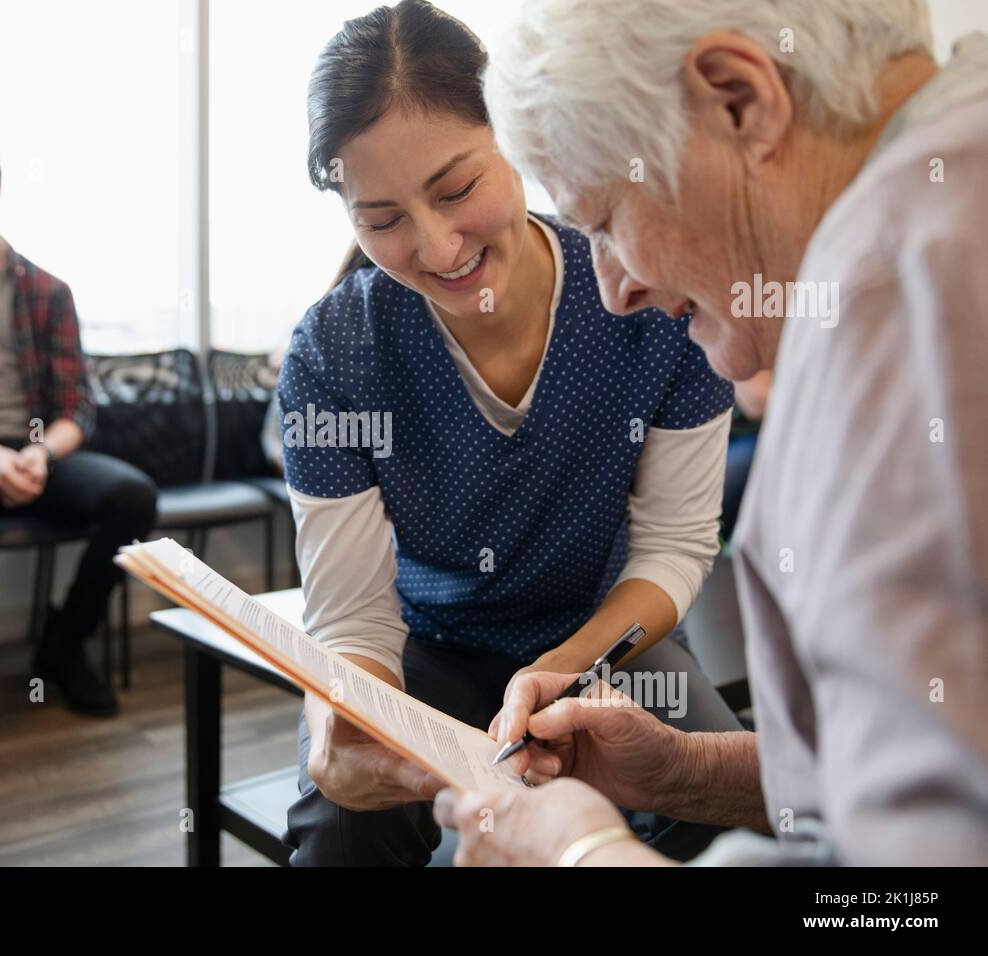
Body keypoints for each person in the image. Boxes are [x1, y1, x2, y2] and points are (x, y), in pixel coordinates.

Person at [435, 0, 988, 866]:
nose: (612, 289)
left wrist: (586, 854)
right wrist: (685, 773)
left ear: (738, 101)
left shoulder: (899, 297)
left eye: (606, 221)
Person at [278, 0, 744, 866]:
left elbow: (676, 548)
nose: (437, 244)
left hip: (609, 635)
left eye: (457, 189)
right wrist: (347, 722)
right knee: (341, 830)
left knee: (721, 800)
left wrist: (568, 662)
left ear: (517, 140)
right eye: (381, 220)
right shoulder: (334, 355)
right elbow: (352, 623)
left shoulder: (647, 291)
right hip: (432, 648)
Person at [0, 137, 157, 786]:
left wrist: (36, 456)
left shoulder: (48, 292)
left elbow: (79, 410)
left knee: (132, 496)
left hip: (34, 451)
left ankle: (62, 646)